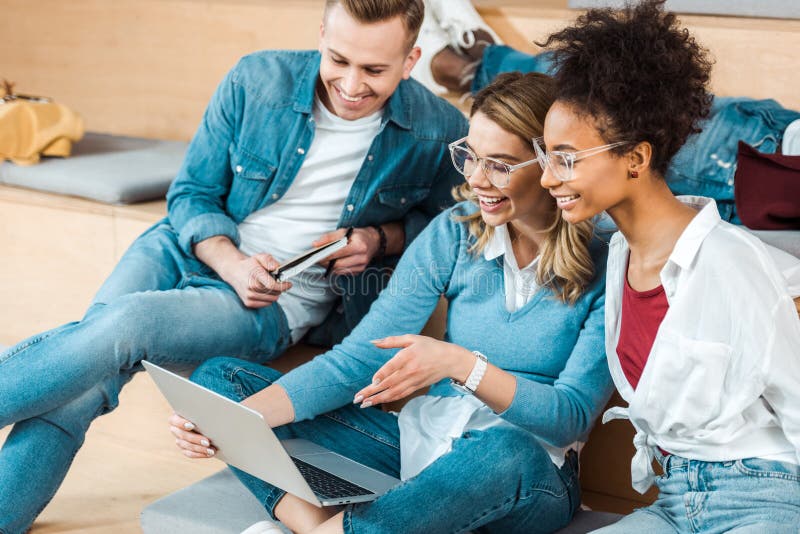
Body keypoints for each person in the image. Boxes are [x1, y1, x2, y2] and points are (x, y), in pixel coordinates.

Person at [0, 1, 468, 531]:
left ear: (410, 61)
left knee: (123, 327)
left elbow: (448, 231)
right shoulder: (257, 80)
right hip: (189, 248)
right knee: (88, 378)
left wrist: (378, 239)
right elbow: (191, 193)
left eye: (375, 70)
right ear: (321, 35)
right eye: (338, 60)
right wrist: (232, 262)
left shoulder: (439, 131)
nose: (352, 84)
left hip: (274, 301)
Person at [170, 72, 615, 534]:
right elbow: (360, 358)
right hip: (420, 448)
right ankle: (314, 527)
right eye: (470, 156)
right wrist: (236, 421)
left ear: (550, 164)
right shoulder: (456, 231)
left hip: (529, 475)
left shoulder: (608, 256)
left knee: (506, 448)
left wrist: (463, 366)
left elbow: (568, 418)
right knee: (219, 384)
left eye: (500, 165)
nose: (476, 179)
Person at [526, 1, 800, 531]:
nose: (547, 177)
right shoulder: (620, 255)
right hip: (673, 498)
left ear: (636, 158)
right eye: (546, 155)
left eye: (567, 158)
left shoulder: (730, 260)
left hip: (761, 496)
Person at [413, 0, 800, 225]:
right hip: (766, 155)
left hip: (759, 208)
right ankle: (471, 63)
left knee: (597, 119)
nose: (548, 178)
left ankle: (473, 62)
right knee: (600, 94)